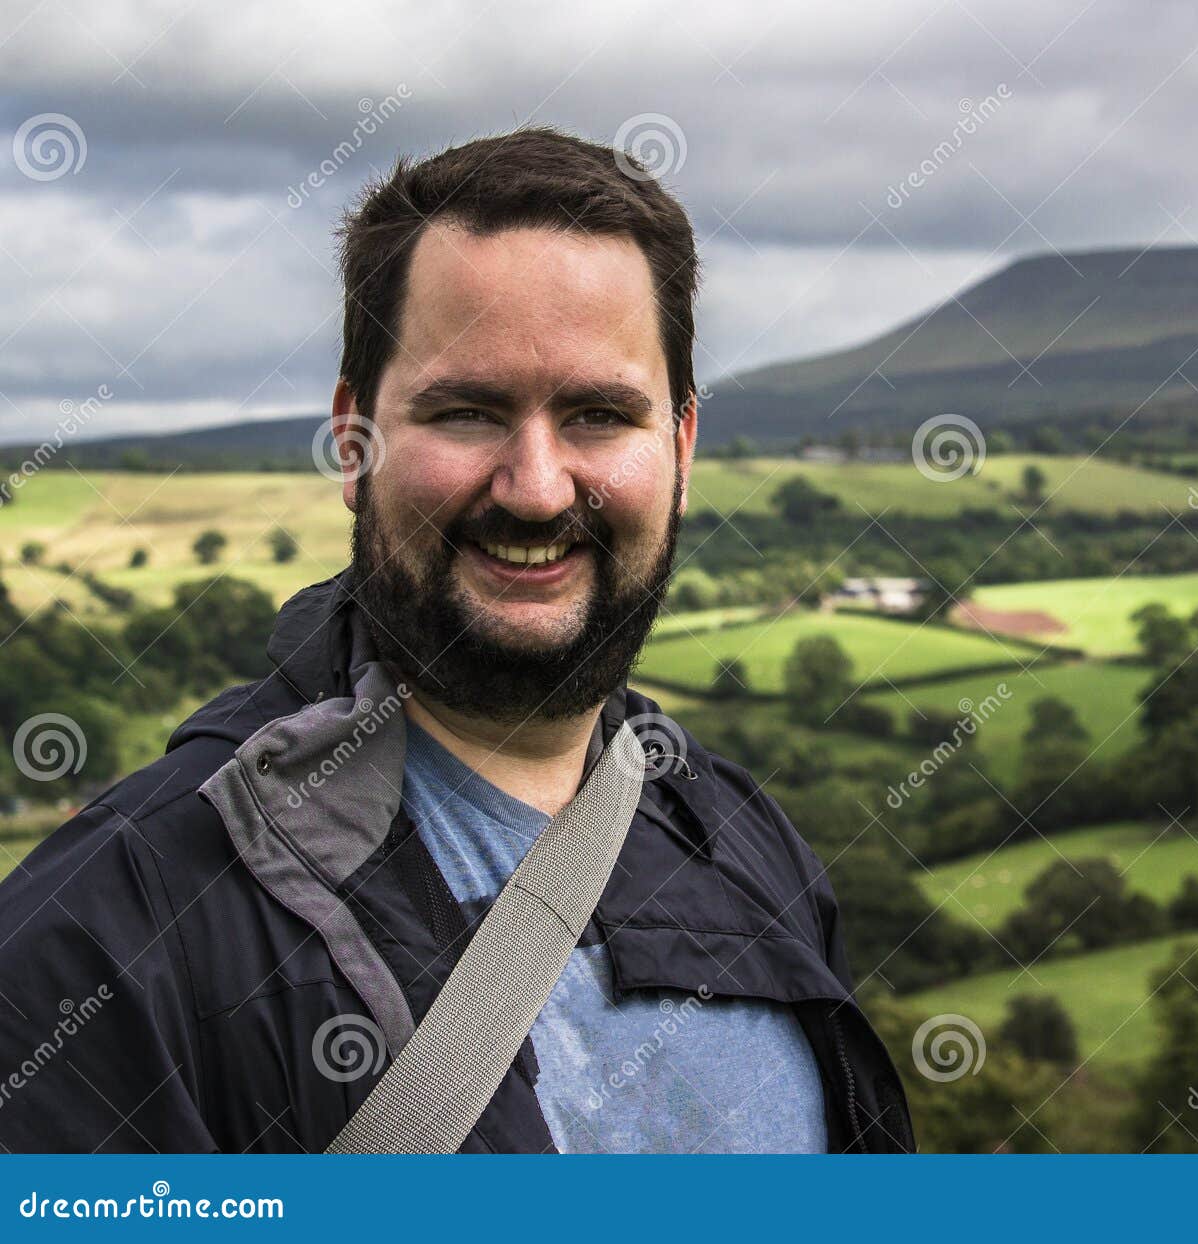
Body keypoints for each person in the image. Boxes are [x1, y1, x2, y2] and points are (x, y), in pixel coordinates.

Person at [0, 127, 912, 1154]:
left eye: (599, 415)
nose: (535, 487)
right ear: (354, 443)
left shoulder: (747, 839)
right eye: (469, 411)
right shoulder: (105, 936)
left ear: (681, 447)